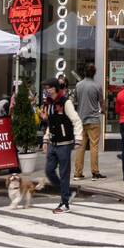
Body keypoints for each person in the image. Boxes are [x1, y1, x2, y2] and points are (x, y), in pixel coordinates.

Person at [41, 78, 83, 214]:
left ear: (55, 88)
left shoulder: (66, 102)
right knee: (49, 170)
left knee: (64, 173)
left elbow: (76, 121)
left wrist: (78, 139)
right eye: (46, 88)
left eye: (49, 87)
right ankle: (68, 193)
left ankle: (65, 203)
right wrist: (45, 139)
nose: (47, 90)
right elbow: (51, 124)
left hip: (65, 143)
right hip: (53, 143)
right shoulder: (49, 104)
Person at [73, 64, 106, 180]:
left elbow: (75, 101)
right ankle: (95, 172)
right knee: (94, 146)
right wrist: (103, 111)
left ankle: (77, 173)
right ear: (94, 73)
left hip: (81, 120)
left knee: (80, 147)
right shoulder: (97, 86)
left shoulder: (78, 85)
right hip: (94, 120)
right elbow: (101, 103)